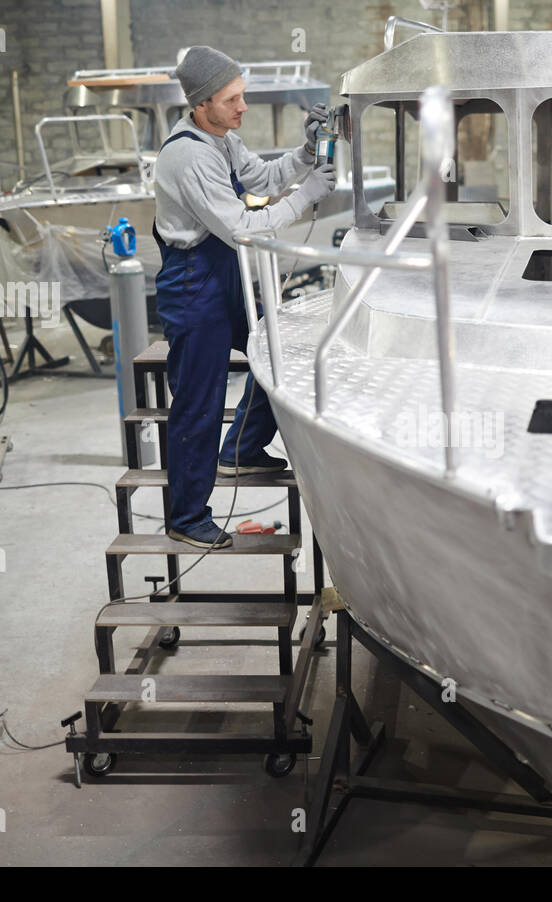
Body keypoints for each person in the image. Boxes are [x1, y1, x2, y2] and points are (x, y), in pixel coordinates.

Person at [153, 45, 337, 548]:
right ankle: (188, 517)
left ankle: (241, 449)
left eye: (243, 96)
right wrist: (306, 197)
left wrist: (304, 154)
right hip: (194, 283)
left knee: (276, 355)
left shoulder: (221, 139)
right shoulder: (189, 155)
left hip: (222, 275)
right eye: (232, 99)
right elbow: (244, 229)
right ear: (202, 103)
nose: (243, 107)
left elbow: (264, 178)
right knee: (199, 402)